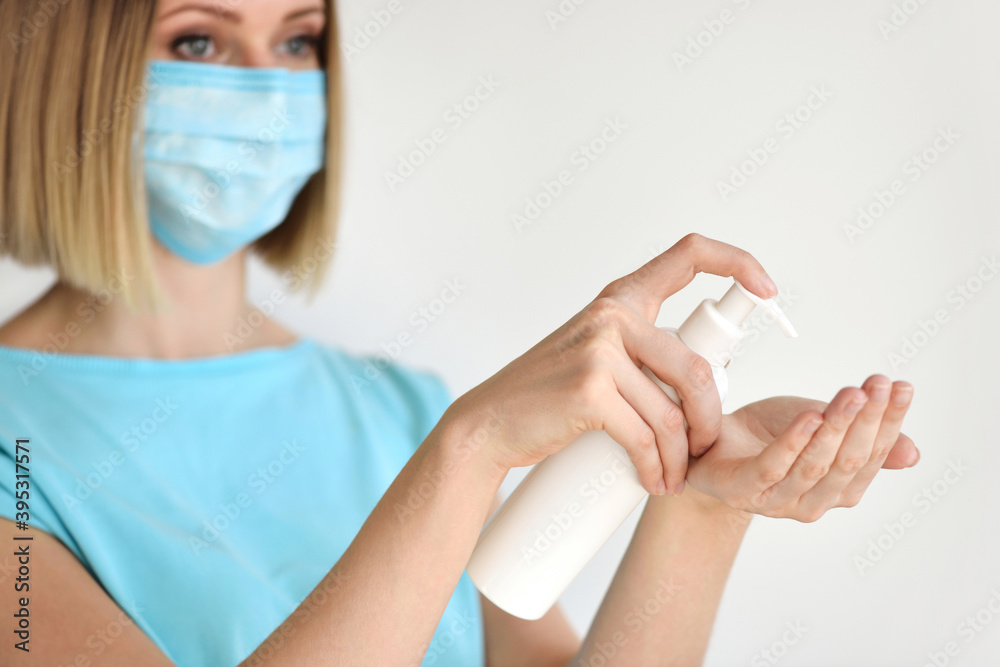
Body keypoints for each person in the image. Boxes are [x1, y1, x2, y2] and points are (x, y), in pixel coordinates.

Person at [0, 1, 918, 665]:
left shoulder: (394, 410)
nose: (269, 86)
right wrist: (474, 445)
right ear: (69, 69)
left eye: (298, 40)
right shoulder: (17, 445)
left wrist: (704, 503)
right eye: (198, 39)